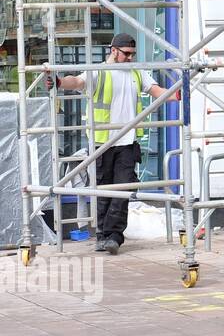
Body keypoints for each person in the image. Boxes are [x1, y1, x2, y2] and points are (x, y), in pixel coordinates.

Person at [45, 33, 178, 255]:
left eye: (132, 54)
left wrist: (178, 94)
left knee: (123, 188)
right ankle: (102, 235)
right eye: (126, 54)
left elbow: (157, 93)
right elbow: (77, 82)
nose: (130, 58)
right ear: (113, 50)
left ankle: (115, 235)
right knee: (104, 190)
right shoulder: (99, 71)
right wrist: (58, 82)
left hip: (127, 142)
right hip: (101, 143)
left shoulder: (137, 72)